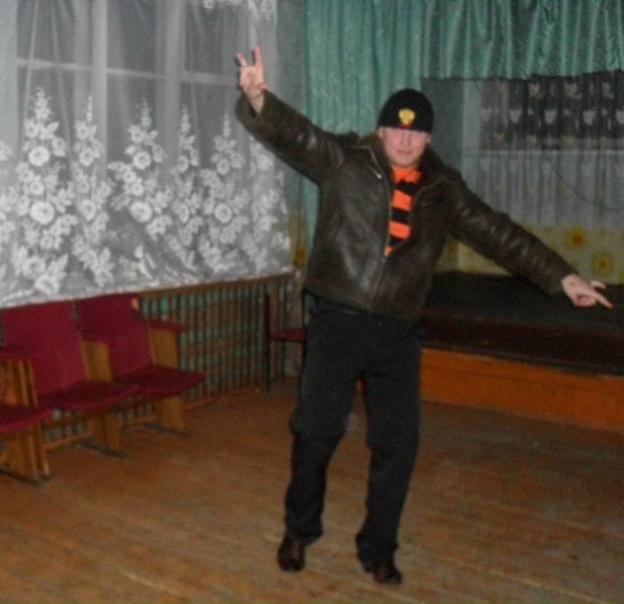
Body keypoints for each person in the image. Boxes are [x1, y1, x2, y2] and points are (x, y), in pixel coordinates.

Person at [235, 46, 612, 586]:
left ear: (429, 138)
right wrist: (258, 99)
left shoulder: (443, 188)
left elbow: (498, 232)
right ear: (382, 129)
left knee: (398, 445)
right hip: (338, 320)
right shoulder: (345, 160)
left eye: (416, 132)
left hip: (397, 330)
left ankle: (379, 547)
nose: (405, 139)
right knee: (315, 432)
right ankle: (299, 531)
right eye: (397, 128)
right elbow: (297, 136)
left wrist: (562, 276)